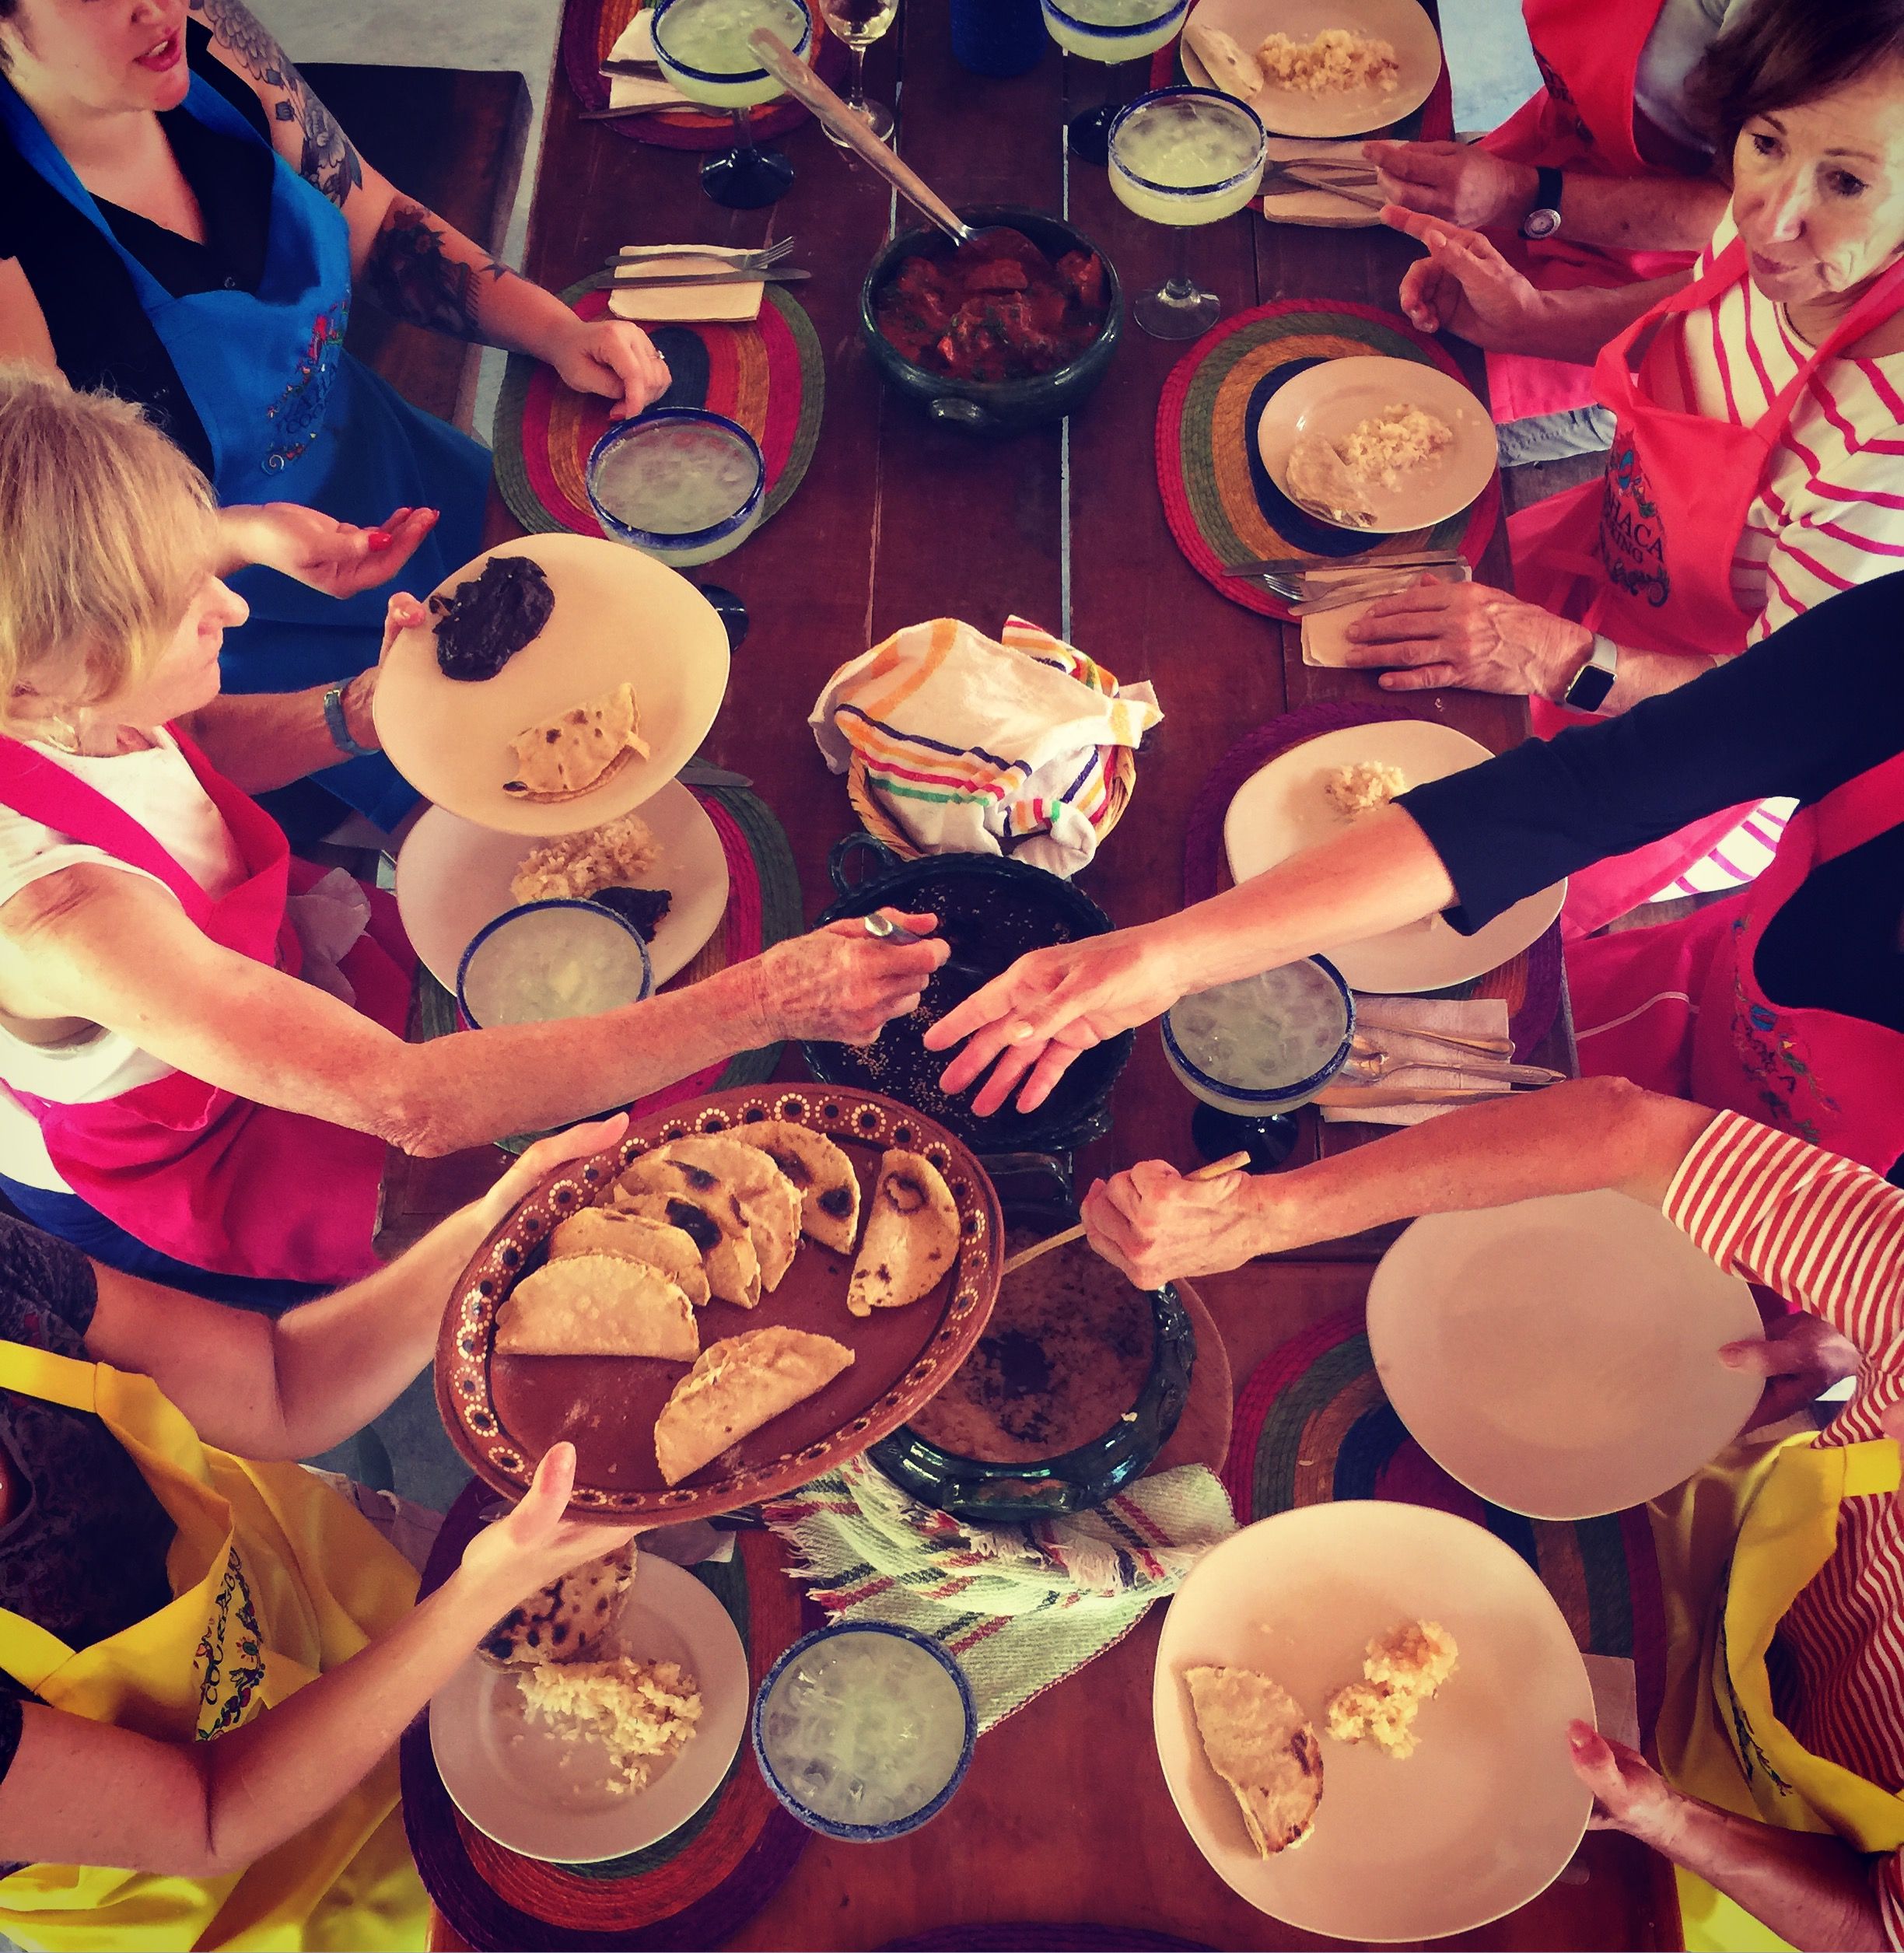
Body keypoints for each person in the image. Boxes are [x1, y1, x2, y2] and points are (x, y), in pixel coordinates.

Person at [0, 370, 946, 1304]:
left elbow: (178, 737)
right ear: (34, 684)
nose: (235, 608)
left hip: (279, 968)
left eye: (202, 571)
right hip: (210, 1143)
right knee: (451, 1261)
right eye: (172, 611)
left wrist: (368, 712)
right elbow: (411, 1102)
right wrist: (767, 1002)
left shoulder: (68, 696)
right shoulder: (65, 916)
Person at [1081, 1080, 1904, 1953]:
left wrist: (1671, 1820)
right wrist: (1266, 1219)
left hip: (1755, 1832)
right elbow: (1628, 1134)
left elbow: (1875, 1928)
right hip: (1725, 1533)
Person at [922, 574, 1904, 1175]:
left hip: (1838, 1254)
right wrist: (1166, 958)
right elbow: (1568, 797)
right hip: (1696, 1003)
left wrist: (1862, 1328)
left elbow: (1623, 1138)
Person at [0, 0, 673, 832]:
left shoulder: (206, 42)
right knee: (534, 798)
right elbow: (63, 561)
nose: (156, 4)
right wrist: (244, 534)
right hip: (249, 607)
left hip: (398, 470)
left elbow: (380, 228)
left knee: (627, 641)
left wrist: (555, 330)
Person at [0, 1113, 653, 1952]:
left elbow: (279, 1386)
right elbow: (210, 1813)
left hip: (321, 1577)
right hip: (258, 1887)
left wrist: (488, 1233)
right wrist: (477, 1595)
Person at [1343, 0, 1904, 928]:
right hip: (1601, 557)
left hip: (1684, 741)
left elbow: (1777, 718)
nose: (1771, 219)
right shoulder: (1795, 241)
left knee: (1441, 920)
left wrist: (1562, 657)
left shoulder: (1882, 445)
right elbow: (1708, 293)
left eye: (1846, 183)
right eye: (1764, 143)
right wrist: (1536, 321)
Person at [1366, 0, 1738, 447]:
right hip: (1553, 147)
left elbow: (1746, 216)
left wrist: (1518, 196)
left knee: (1397, 409)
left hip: (1652, 273)